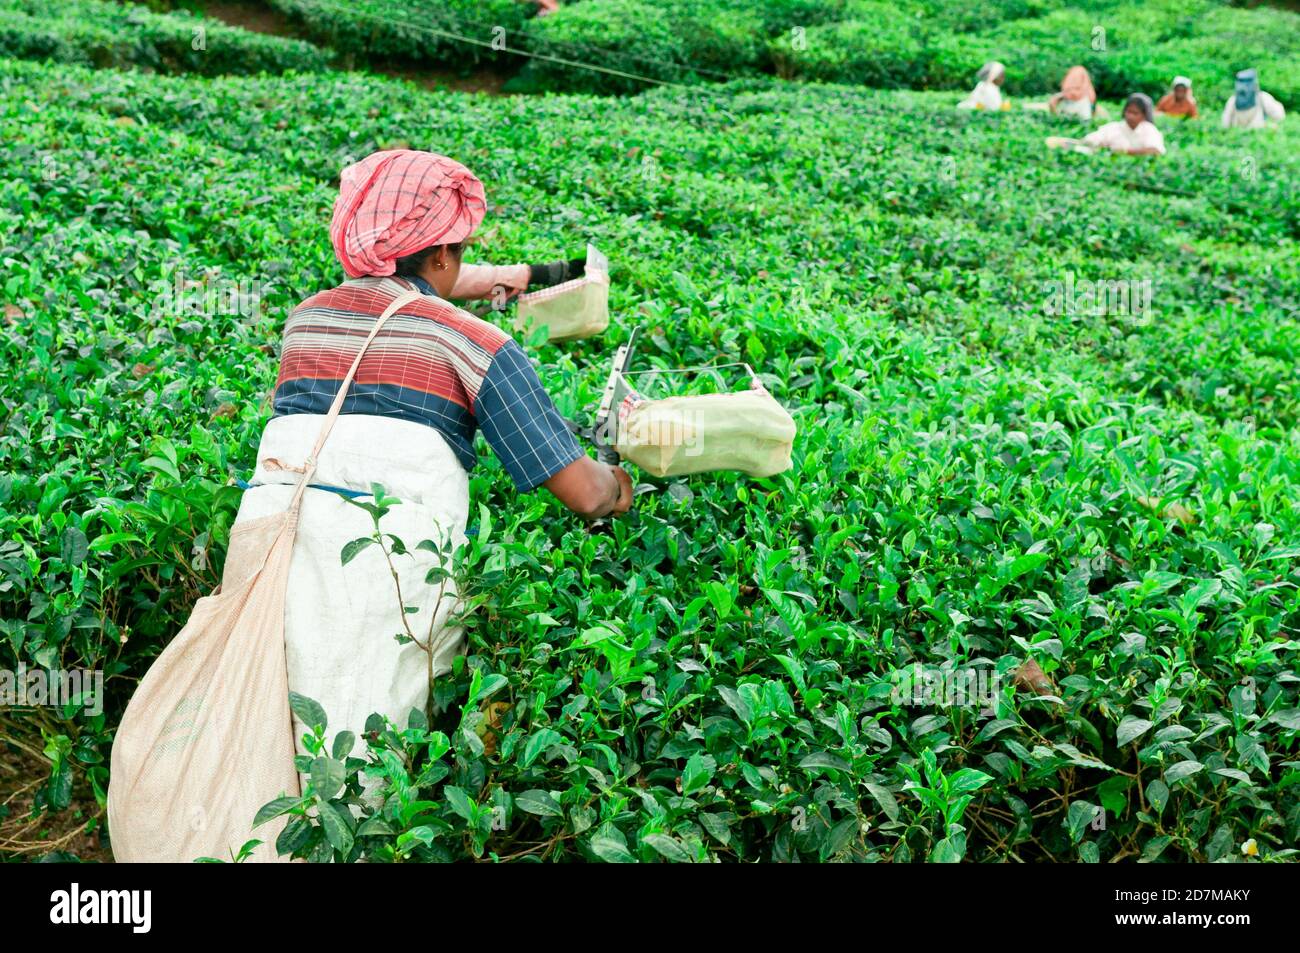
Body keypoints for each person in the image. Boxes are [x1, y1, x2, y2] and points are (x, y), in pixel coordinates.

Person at [234, 149, 633, 798]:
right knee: (358, 780)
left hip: (273, 563)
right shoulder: (474, 344)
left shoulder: (306, 319)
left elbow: (402, 293)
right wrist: (627, 481)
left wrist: (525, 275)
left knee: (269, 742)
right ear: (442, 255)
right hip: (381, 587)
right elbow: (586, 493)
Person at [1075, 92, 1166, 155]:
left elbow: (1155, 150)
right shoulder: (1113, 128)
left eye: (1135, 113)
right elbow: (1090, 140)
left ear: (1144, 115)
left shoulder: (1149, 130)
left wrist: (1125, 151)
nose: (1130, 116)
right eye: (1128, 112)